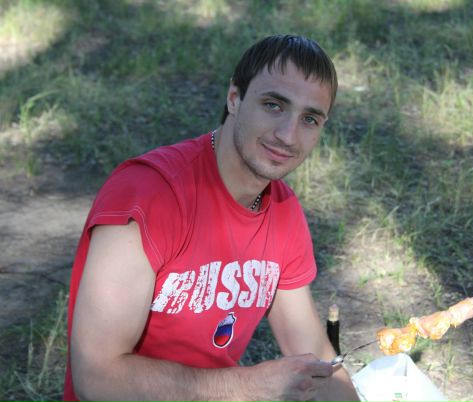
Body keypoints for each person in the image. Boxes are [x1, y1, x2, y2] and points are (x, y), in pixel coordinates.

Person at [64, 34, 361, 402]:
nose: (288, 135)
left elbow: (312, 350)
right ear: (234, 98)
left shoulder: (283, 211)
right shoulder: (149, 195)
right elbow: (96, 378)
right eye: (273, 105)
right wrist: (249, 386)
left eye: (310, 119)